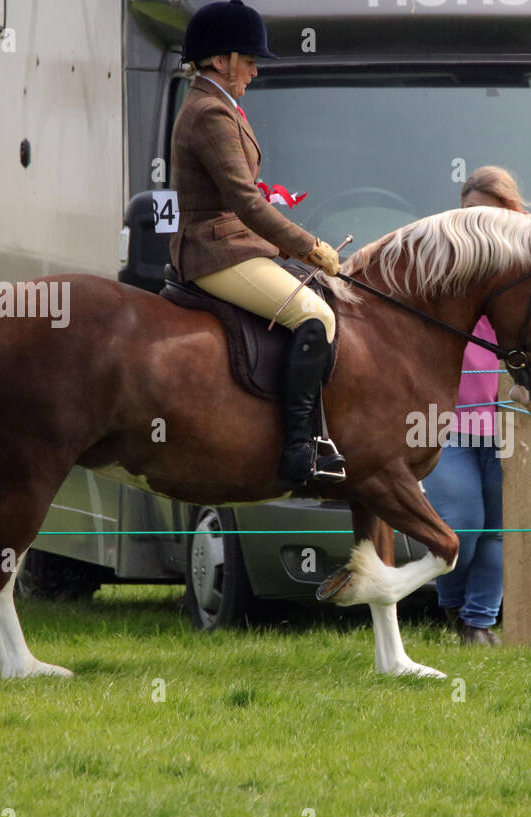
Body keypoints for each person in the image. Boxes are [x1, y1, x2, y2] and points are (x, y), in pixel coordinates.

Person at [170, 0, 345, 488]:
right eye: (248, 60)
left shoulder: (220, 105)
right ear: (221, 59)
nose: (253, 71)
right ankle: (299, 448)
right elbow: (245, 202)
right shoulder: (209, 112)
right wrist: (309, 246)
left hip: (234, 243)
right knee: (316, 315)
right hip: (215, 248)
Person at [421, 166, 529, 646]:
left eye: (486, 212)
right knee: (460, 525)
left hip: (509, 425)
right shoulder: (441, 269)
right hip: (443, 425)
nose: (475, 222)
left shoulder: (529, 271)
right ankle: (452, 605)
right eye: (466, 213)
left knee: (499, 531)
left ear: (510, 213)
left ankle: (479, 623)